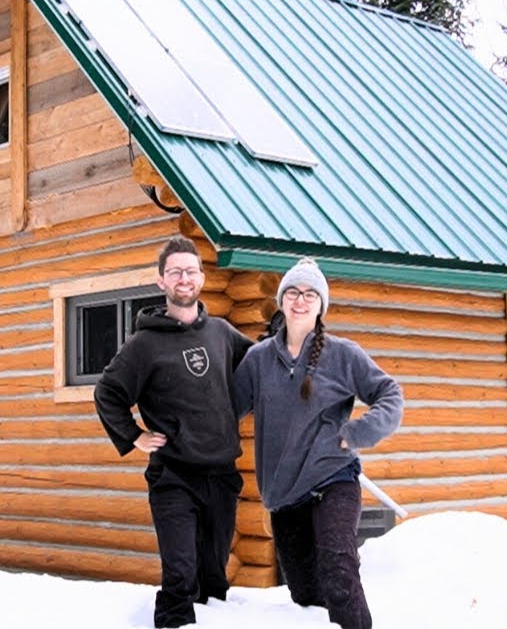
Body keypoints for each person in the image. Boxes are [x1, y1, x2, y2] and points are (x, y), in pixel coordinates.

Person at [232, 258, 403, 629]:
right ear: (281, 300)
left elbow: (390, 394)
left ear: (321, 304)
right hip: (286, 494)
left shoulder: (342, 354)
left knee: (338, 567)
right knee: (305, 593)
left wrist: (358, 433)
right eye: (292, 292)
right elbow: (225, 409)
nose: (300, 300)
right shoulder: (258, 361)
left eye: (310, 294)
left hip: (333, 479)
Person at [93, 236, 254, 628]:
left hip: (220, 474)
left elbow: (260, 365)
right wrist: (134, 436)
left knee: (213, 576)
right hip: (174, 476)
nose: (184, 278)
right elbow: (108, 392)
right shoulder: (144, 345)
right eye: (175, 271)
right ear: (162, 280)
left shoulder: (221, 332)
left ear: (201, 277)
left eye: (191, 270)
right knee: (180, 574)